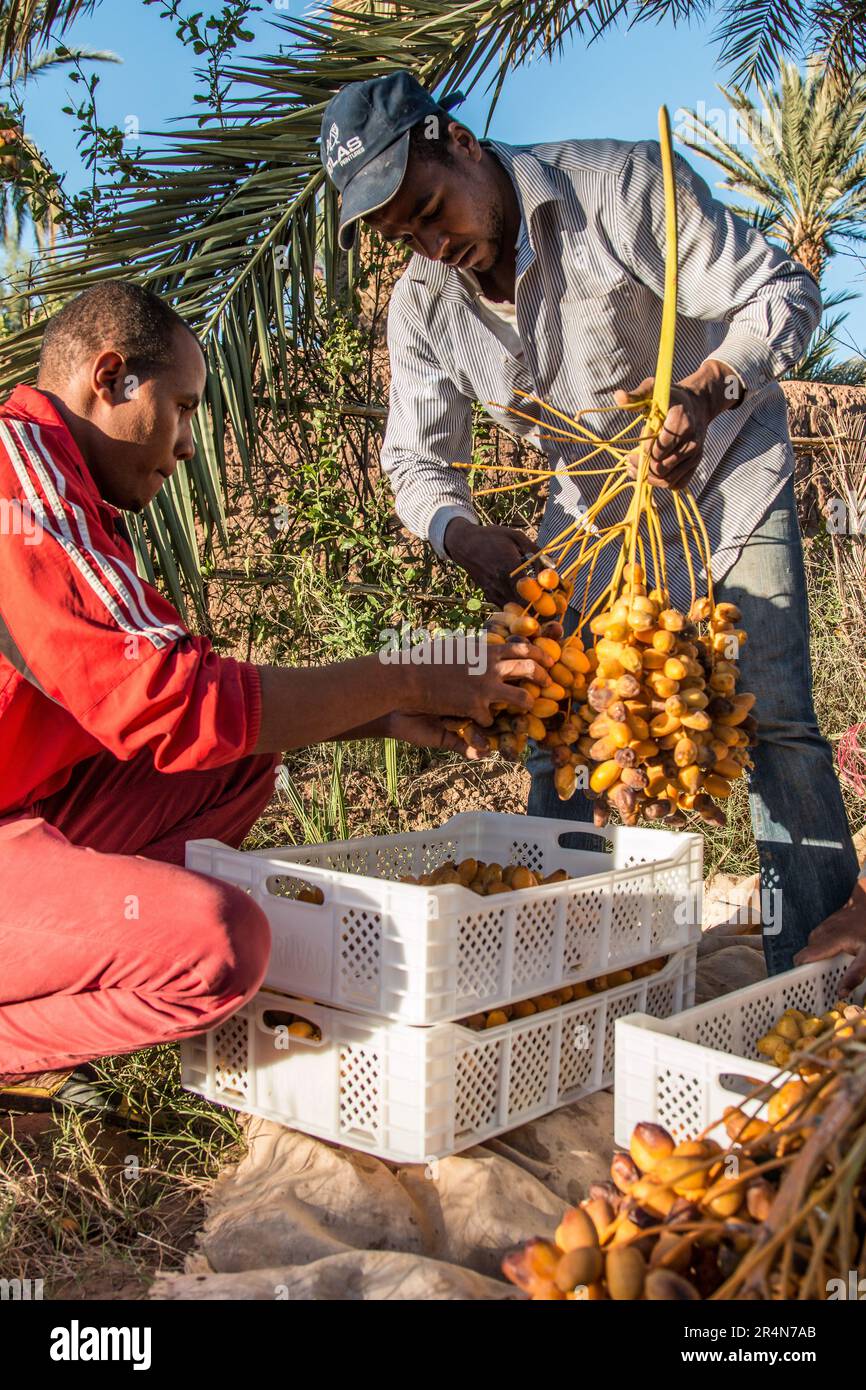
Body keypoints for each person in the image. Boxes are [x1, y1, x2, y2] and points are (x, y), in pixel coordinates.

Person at [320, 70, 861, 981]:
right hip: (591, 509)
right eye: (398, 234)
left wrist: (704, 388)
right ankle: (549, 972)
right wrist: (461, 535)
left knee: (773, 715)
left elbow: (780, 291)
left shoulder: (616, 186)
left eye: (427, 207)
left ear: (456, 140)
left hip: (729, 462)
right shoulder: (422, 307)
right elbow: (415, 464)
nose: (426, 241)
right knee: (557, 730)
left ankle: (816, 976)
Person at [0, 280, 549, 1120]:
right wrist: (410, 674)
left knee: (238, 762)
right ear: (109, 378)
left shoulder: (66, 491)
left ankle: (71, 950)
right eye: (181, 409)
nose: (186, 445)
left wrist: (384, 716)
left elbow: (173, 696)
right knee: (223, 945)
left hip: (20, 804)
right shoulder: (20, 481)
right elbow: (173, 702)